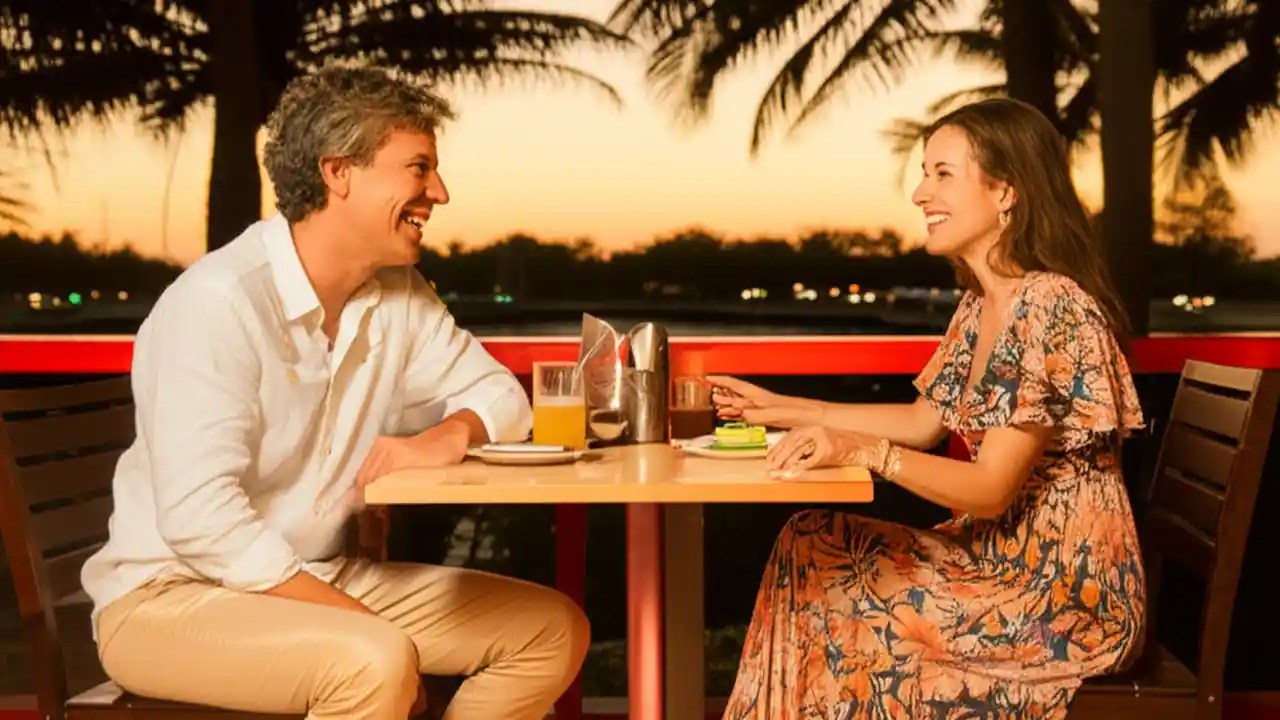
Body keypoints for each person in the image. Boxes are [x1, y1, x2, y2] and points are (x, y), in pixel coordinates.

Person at [81, 65, 589, 720]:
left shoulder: (398, 295)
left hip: (314, 574)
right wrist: (368, 625)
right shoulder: (218, 302)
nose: (440, 191)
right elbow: (201, 519)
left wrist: (448, 434)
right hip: (170, 597)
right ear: (338, 172)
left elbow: (502, 396)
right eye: (418, 167)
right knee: (373, 661)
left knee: (549, 630)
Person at [713, 98, 1146, 719]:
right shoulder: (981, 305)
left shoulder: (1054, 308)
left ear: (1007, 191)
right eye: (924, 172)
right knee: (806, 543)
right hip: (993, 560)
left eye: (943, 173)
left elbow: (991, 489)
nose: (920, 193)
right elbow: (922, 421)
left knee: (841, 604)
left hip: (1062, 599)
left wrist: (861, 450)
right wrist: (778, 407)